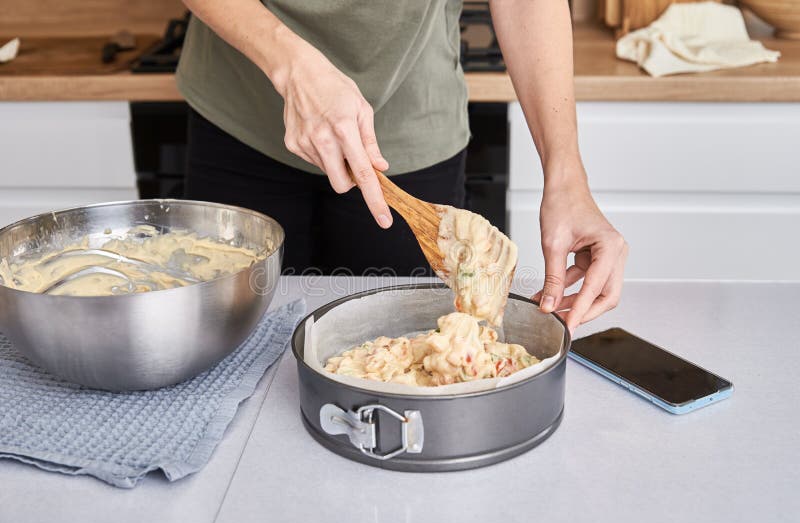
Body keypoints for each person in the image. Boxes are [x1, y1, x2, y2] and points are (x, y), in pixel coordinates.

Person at [176, 0, 628, 333]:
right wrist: (292, 67)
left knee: (407, 339)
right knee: (232, 337)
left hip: (412, 126)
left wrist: (566, 176)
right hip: (240, 111)